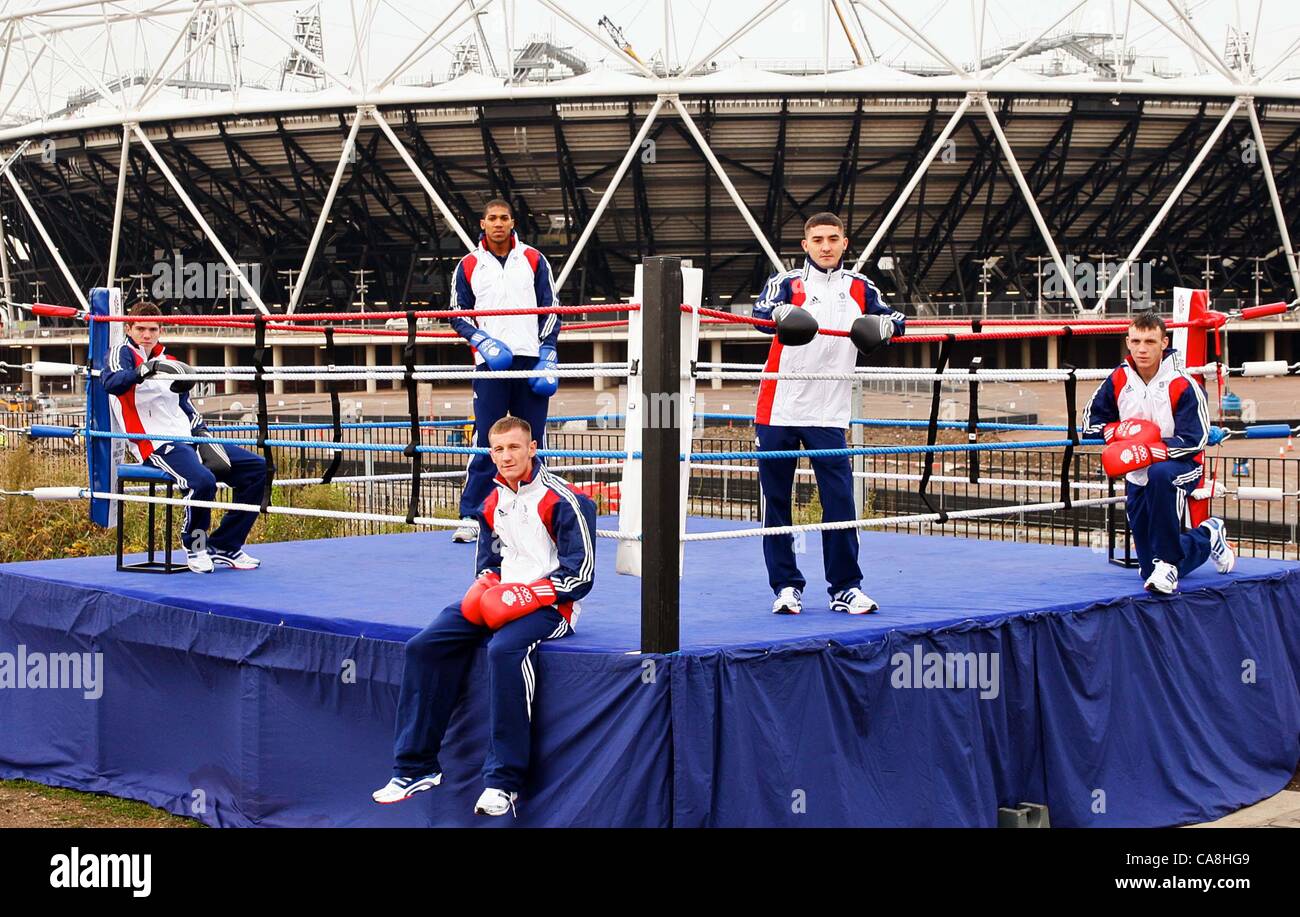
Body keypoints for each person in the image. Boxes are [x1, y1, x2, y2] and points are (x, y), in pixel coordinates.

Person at [373, 416, 596, 817]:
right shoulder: (492, 501)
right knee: (424, 647)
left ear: (532, 447)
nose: (506, 456)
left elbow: (580, 574)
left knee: (504, 652)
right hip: (501, 597)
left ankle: (503, 781)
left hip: (552, 607)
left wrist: (530, 593)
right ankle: (415, 768)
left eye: (514, 447)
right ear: (490, 453)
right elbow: (488, 562)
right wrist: (487, 587)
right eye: (498, 449)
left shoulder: (565, 500)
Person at [751, 212, 906, 615]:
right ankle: (785, 586)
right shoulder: (786, 283)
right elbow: (760, 313)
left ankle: (845, 588)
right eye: (817, 239)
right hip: (778, 406)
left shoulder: (861, 287)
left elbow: (897, 318)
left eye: (832, 238)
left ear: (844, 243)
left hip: (828, 412)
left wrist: (885, 329)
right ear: (805, 245)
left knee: (839, 501)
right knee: (776, 501)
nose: (825, 245)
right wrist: (781, 316)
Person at [100, 301, 267, 574]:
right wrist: (143, 372)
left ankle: (225, 546)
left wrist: (201, 432)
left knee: (256, 468)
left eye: (152, 329)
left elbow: (184, 405)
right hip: (154, 441)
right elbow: (112, 382)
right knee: (202, 482)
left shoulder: (171, 362)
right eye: (140, 328)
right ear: (128, 328)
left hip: (189, 437)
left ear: (160, 330)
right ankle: (197, 547)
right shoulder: (122, 353)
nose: (146, 335)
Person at [1083, 310, 1235, 594]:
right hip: (1137, 471)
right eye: (1136, 341)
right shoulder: (1119, 380)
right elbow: (1089, 423)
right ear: (1127, 342)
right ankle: (1208, 534)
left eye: (1150, 341)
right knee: (1147, 569)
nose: (1142, 348)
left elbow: (1195, 438)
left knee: (1160, 474)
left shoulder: (1183, 383)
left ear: (1164, 342)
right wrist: (1117, 432)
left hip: (1182, 466)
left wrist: (1151, 450)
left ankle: (1167, 563)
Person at [447, 199, 559, 544]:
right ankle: (471, 515)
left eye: (504, 218)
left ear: (512, 222)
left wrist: (548, 350)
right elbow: (457, 313)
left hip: (529, 360)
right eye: (492, 218)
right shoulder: (468, 265)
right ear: (483, 223)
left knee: (533, 440)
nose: (498, 223)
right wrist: (482, 341)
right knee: (486, 439)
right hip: (490, 364)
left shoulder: (534, 259)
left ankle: (539, 513)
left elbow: (551, 308)